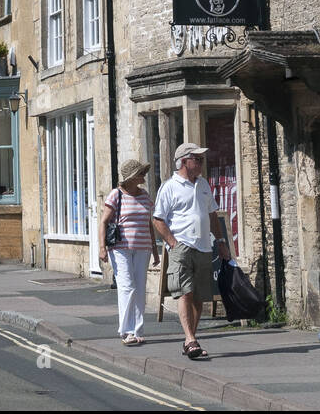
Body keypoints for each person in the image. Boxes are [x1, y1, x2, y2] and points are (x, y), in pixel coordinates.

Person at [152, 142, 231, 360]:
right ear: (185, 162)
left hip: (204, 246)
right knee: (185, 292)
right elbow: (158, 218)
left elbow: (213, 215)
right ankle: (190, 338)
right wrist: (173, 243)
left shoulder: (203, 184)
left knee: (199, 297)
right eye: (198, 159)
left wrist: (221, 242)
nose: (202, 163)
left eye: (202, 159)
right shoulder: (170, 187)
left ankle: (190, 340)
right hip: (182, 247)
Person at [99, 159, 160, 346]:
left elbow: (148, 223)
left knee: (140, 288)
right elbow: (103, 222)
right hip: (120, 248)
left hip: (143, 248)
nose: (143, 176)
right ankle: (126, 331)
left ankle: (137, 330)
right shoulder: (115, 195)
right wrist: (102, 248)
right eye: (141, 173)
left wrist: (155, 250)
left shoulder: (144, 196)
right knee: (127, 287)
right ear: (131, 178)